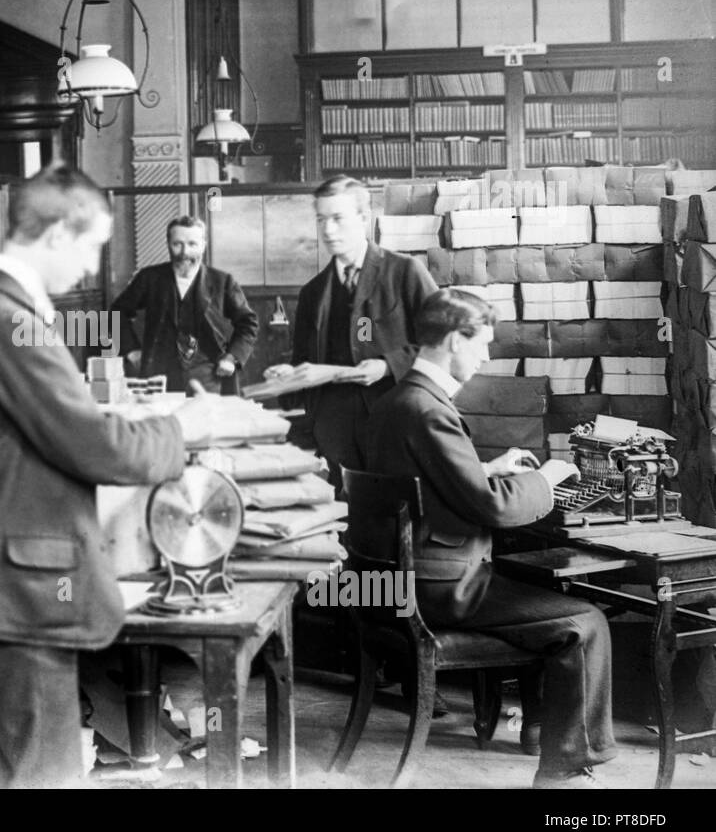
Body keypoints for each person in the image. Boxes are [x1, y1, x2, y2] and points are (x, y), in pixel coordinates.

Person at [0, 164, 224, 787]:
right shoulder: (8, 320)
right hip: (21, 589)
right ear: (58, 233)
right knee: (47, 776)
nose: (91, 268)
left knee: (10, 773)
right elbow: (87, 443)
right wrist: (183, 427)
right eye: (90, 247)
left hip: (8, 584)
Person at [362, 288, 617, 789]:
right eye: (482, 344)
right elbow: (493, 507)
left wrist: (484, 468)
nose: (485, 356)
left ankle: (549, 737)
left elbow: (428, 482)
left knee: (547, 597)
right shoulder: (429, 409)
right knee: (585, 623)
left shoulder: (397, 401)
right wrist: (548, 478)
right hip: (442, 587)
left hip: (396, 582)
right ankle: (564, 773)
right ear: (455, 339)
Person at [275, 175, 436, 487]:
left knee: (399, 514)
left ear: (364, 218)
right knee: (348, 518)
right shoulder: (313, 292)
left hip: (396, 420)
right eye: (321, 219)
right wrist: (287, 376)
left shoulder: (405, 272)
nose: (327, 230)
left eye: (337, 218)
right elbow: (304, 362)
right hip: (336, 431)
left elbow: (444, 342)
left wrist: (389, 365)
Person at [111, 215, 258, 395]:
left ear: (203, 245)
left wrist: (232, 357)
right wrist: (131, 350)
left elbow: (248, 323)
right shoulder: (149, 278)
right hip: (159, 377)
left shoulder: (223, 281)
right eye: (177, 244)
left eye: (192, 244)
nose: (184, 252)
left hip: (211, 377)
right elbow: (116, 313)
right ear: (168, 244)